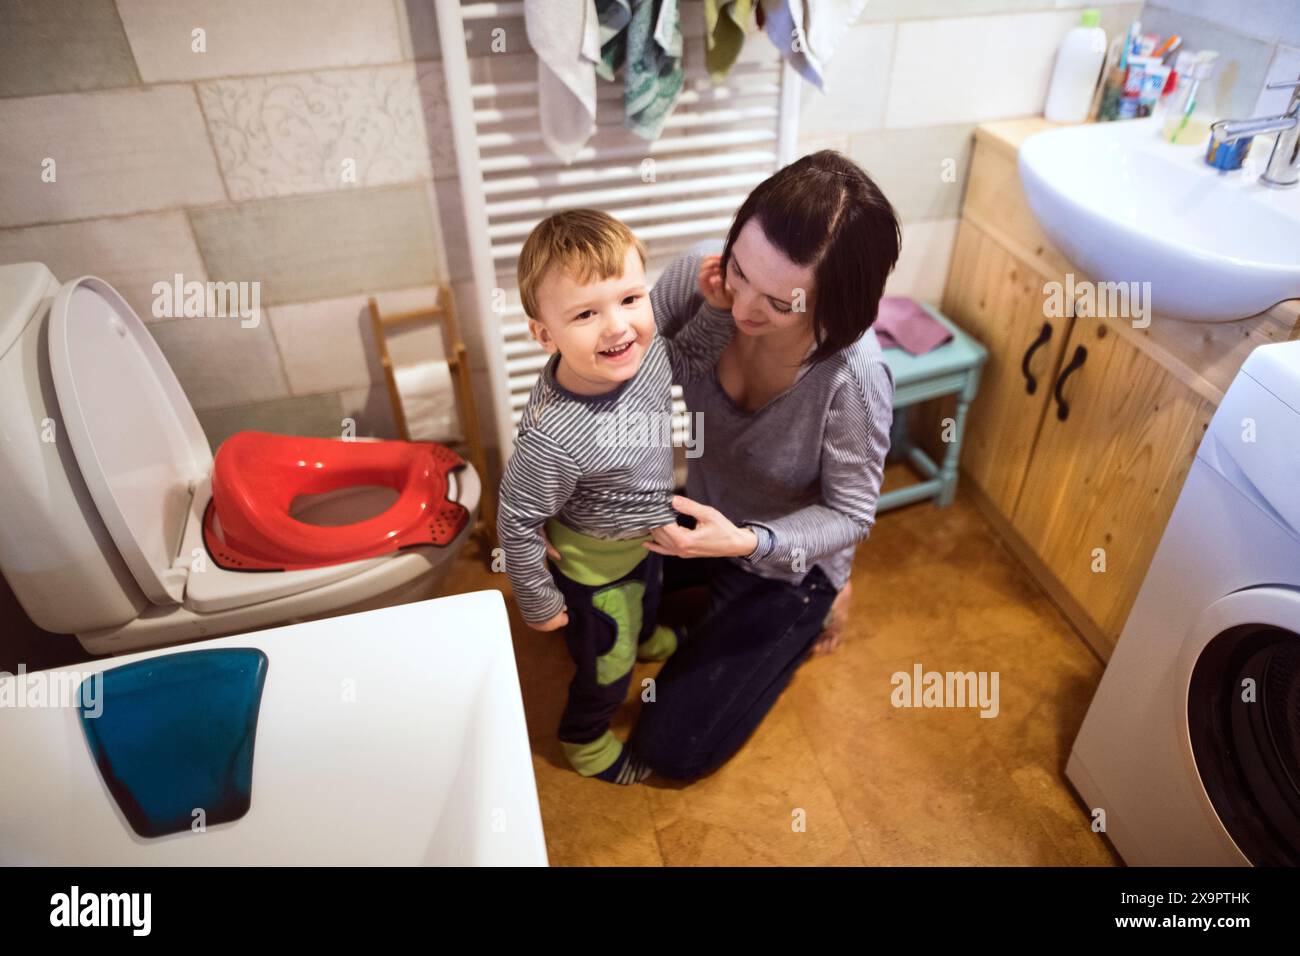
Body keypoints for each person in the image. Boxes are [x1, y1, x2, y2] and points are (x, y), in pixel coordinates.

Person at [623, 150, 901, 781]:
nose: (744, 306)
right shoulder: (705, 276)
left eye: (779, 303)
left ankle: (825, 602)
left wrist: (749, 542)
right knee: (574, 598)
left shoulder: (854, 379)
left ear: (833, 309)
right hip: (701, 514)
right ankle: (708, 601)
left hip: (785, 566)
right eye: (741, 271)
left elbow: (852, 514)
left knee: (672, 748)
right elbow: (624, 371)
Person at [496, 209, 735, 784]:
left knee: (649, 596)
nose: (617, 327)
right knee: (608, 662)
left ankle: (648, 634)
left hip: (644, 538)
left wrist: (716, 309)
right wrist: (539, 601)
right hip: (596, 570)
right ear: (544, 335)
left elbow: (689, 357)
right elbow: (516, 520)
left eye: (629, 299)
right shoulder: (553, 437)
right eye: (586, 313)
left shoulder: (642, 357)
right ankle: (584, 740)